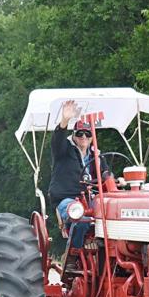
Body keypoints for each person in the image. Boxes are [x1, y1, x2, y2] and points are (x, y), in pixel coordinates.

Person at [49, 99, 96, 248]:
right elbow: (57, 142)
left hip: (90, 200)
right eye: (80, 133)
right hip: (67, 199)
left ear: (91, 137)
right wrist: (65, 120)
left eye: (87, 133)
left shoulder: (96, 156)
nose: (84, 137)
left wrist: (117, 179)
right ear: (74, 135)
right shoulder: (64, 150)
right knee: (81, 219)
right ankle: (74, 253)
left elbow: (106, 174)